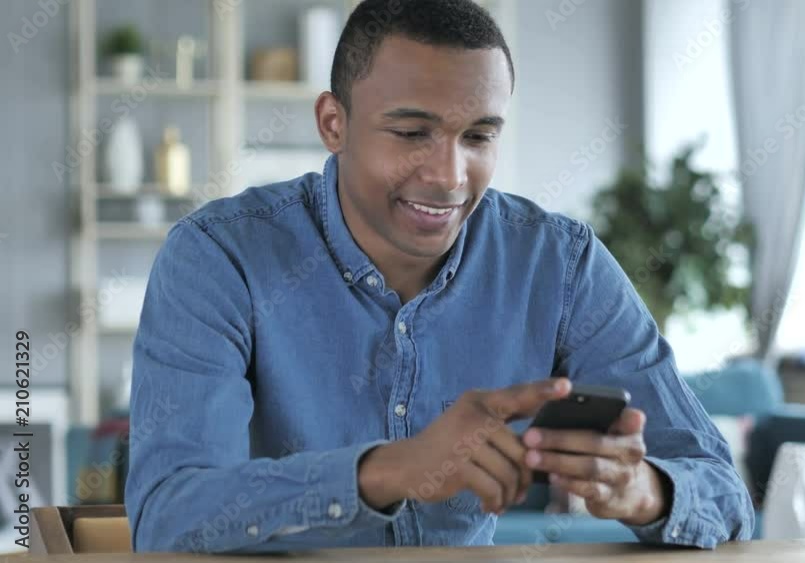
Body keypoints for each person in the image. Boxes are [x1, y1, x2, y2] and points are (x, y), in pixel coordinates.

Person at [125, 0, 753, 553]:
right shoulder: (217, 257)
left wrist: (643, 490)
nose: (450, 176)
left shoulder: (560, 265)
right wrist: (391, 469)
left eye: (478, 136)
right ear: (333, 123)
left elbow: (726, 497)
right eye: (411, 133)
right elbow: (169, 515)